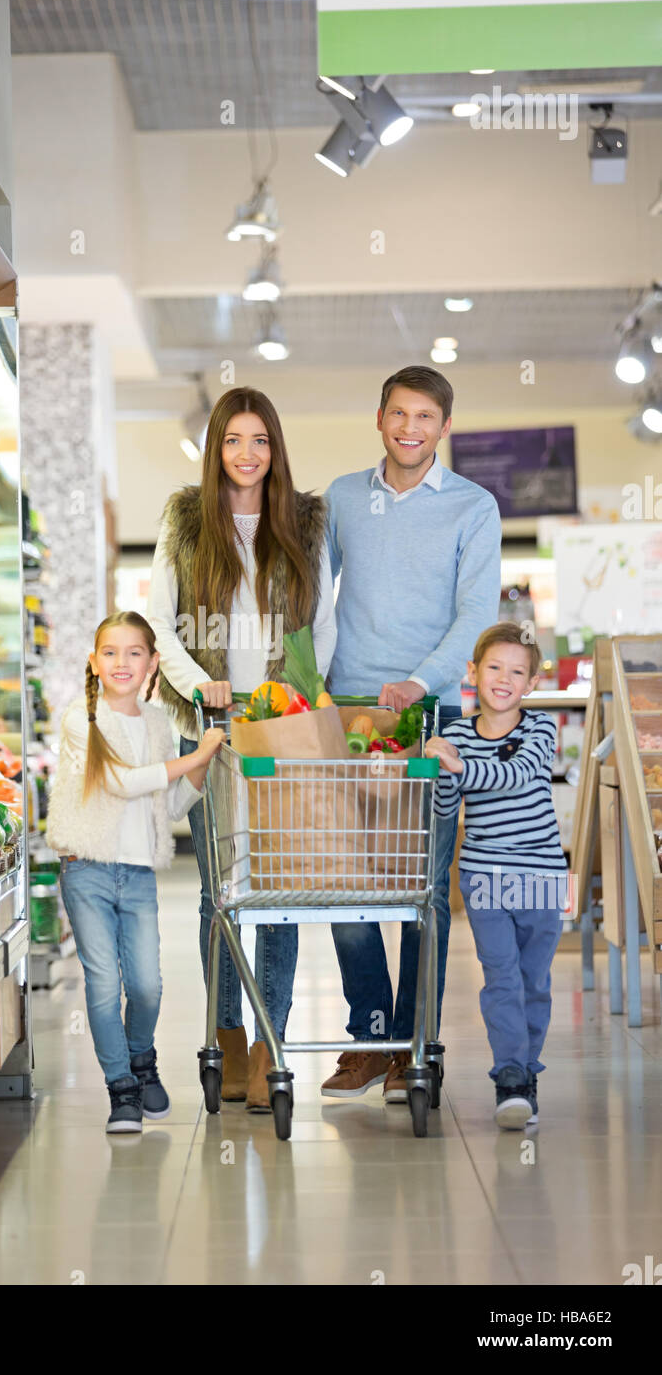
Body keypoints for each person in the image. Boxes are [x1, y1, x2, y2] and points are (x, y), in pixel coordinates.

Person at [148, 386, 337, 1111]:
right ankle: (226, 1039)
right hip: (212, 734)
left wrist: (302, 693)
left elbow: (327, 622)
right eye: (233, 440)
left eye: (260, 441)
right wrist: (203, 685)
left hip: (279, 731)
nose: (247, 454)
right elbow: (161, 623)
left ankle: (269, 1044)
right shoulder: (188, 523)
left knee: (280, 890)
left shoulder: (305, 524)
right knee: (218, 895)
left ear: (275, 448)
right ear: (215, 448)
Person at [322, 365, 501, 1104]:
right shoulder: (341, 498)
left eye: (425, 417)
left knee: (423, 887)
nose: (410, 428)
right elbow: (308, 594)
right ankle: (370, 1039)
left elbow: (475, 614)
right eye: (399, 414)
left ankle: (414, 1046)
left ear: (443, 427)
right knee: (347, 881)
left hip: (433, 719)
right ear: (379, 418)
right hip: (348, 715)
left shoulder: (473, 507)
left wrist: (423, 682)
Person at [46, 610, 225, 1134]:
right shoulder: (82, 718)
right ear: (94, 661)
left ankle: (142, 1059)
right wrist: (192, 760)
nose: (122, 662)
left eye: (134, 653)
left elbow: (167, 804)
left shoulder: (156, 723)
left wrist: (203, 767)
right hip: (88, 870)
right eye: (110, 652)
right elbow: (123, 782)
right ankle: (122, 1089)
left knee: (146, 985)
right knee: (104, 985)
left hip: (140, 871)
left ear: (152, 663)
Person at [427, 623, 565, 1129]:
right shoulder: (456, 735)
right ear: (473, 672)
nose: (504, 679)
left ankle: (527, 1072)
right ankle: (510, 1078)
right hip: (484, 876)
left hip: (542, 875)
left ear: (530, 684)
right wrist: (442, 770)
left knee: (534, 981)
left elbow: (516, 775)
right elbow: (447, 809)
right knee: (501, 978)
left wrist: (459, 768)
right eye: (494, 667)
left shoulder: (540, 729)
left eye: (517, 671)